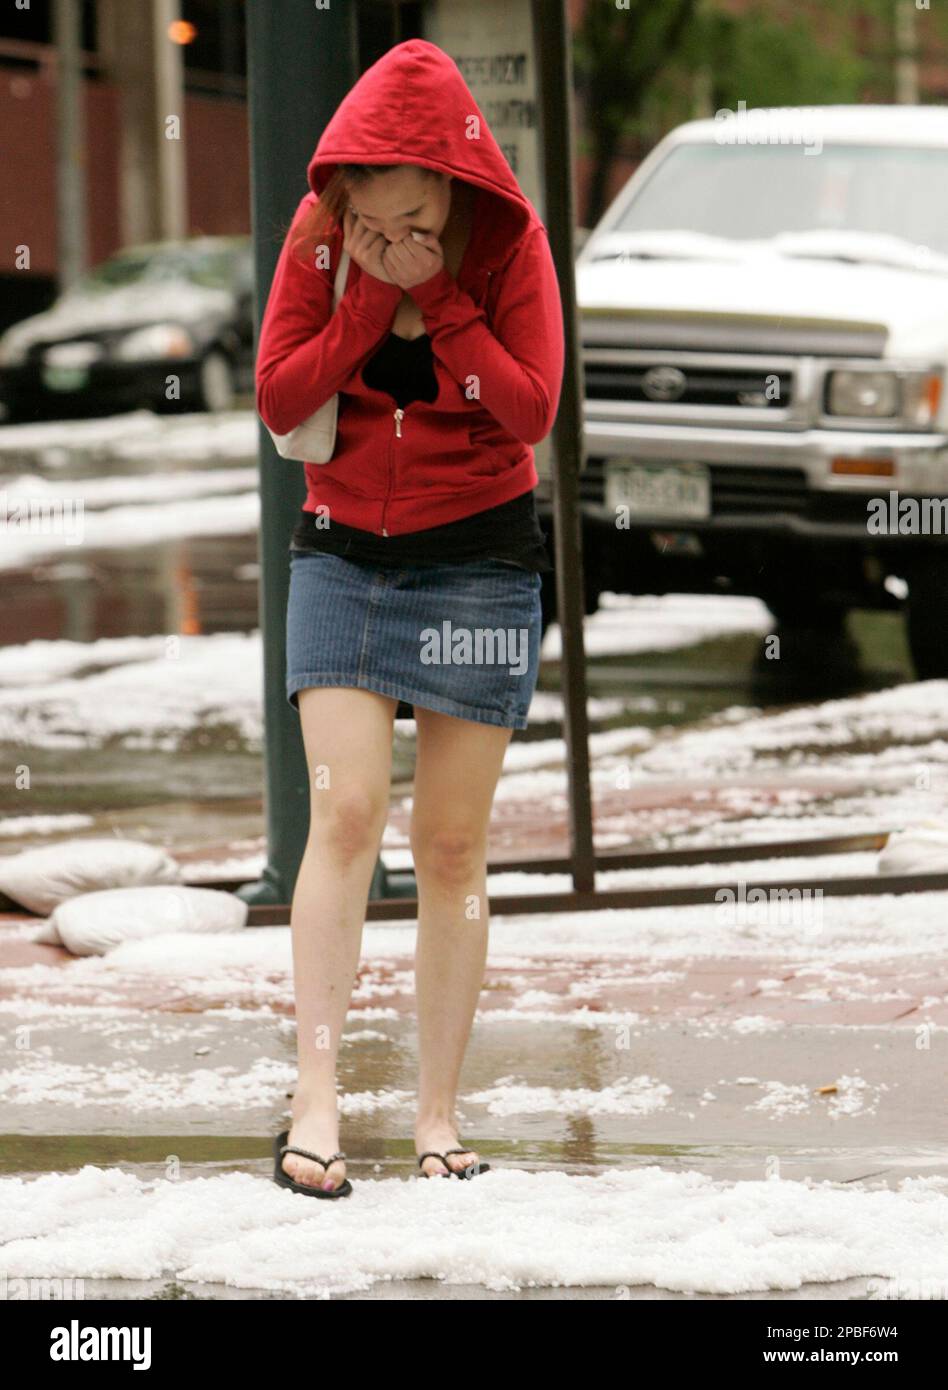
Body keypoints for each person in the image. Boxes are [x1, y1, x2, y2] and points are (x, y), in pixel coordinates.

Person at [256, 38, 564, 1196]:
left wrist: (435, 299)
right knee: (344, 821)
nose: (383, 234)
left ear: (449, 187)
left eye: (408, 217)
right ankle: (319, 1097)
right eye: (366, 218)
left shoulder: (509, 243)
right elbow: (283, 393)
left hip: (477, 556)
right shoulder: (322, 239)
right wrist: (363, 300)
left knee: (448, 844)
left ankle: (438, 1114)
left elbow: (526, 409)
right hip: (341, 551)